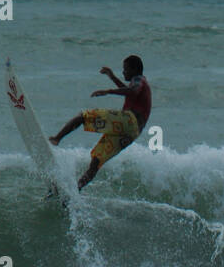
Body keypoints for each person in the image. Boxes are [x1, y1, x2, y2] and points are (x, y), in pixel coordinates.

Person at [49, 55, 152, 190]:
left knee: (83, 116)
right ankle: (76, 188)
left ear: (134, 70)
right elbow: (129, 91)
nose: (123, 72)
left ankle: (56, 139)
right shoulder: (139, 83)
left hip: (129, 121)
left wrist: (108, 91)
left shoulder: (139, 80)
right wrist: (112, 77)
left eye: (125, 69)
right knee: (97, 160)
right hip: (132, 132)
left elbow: (133, 90)